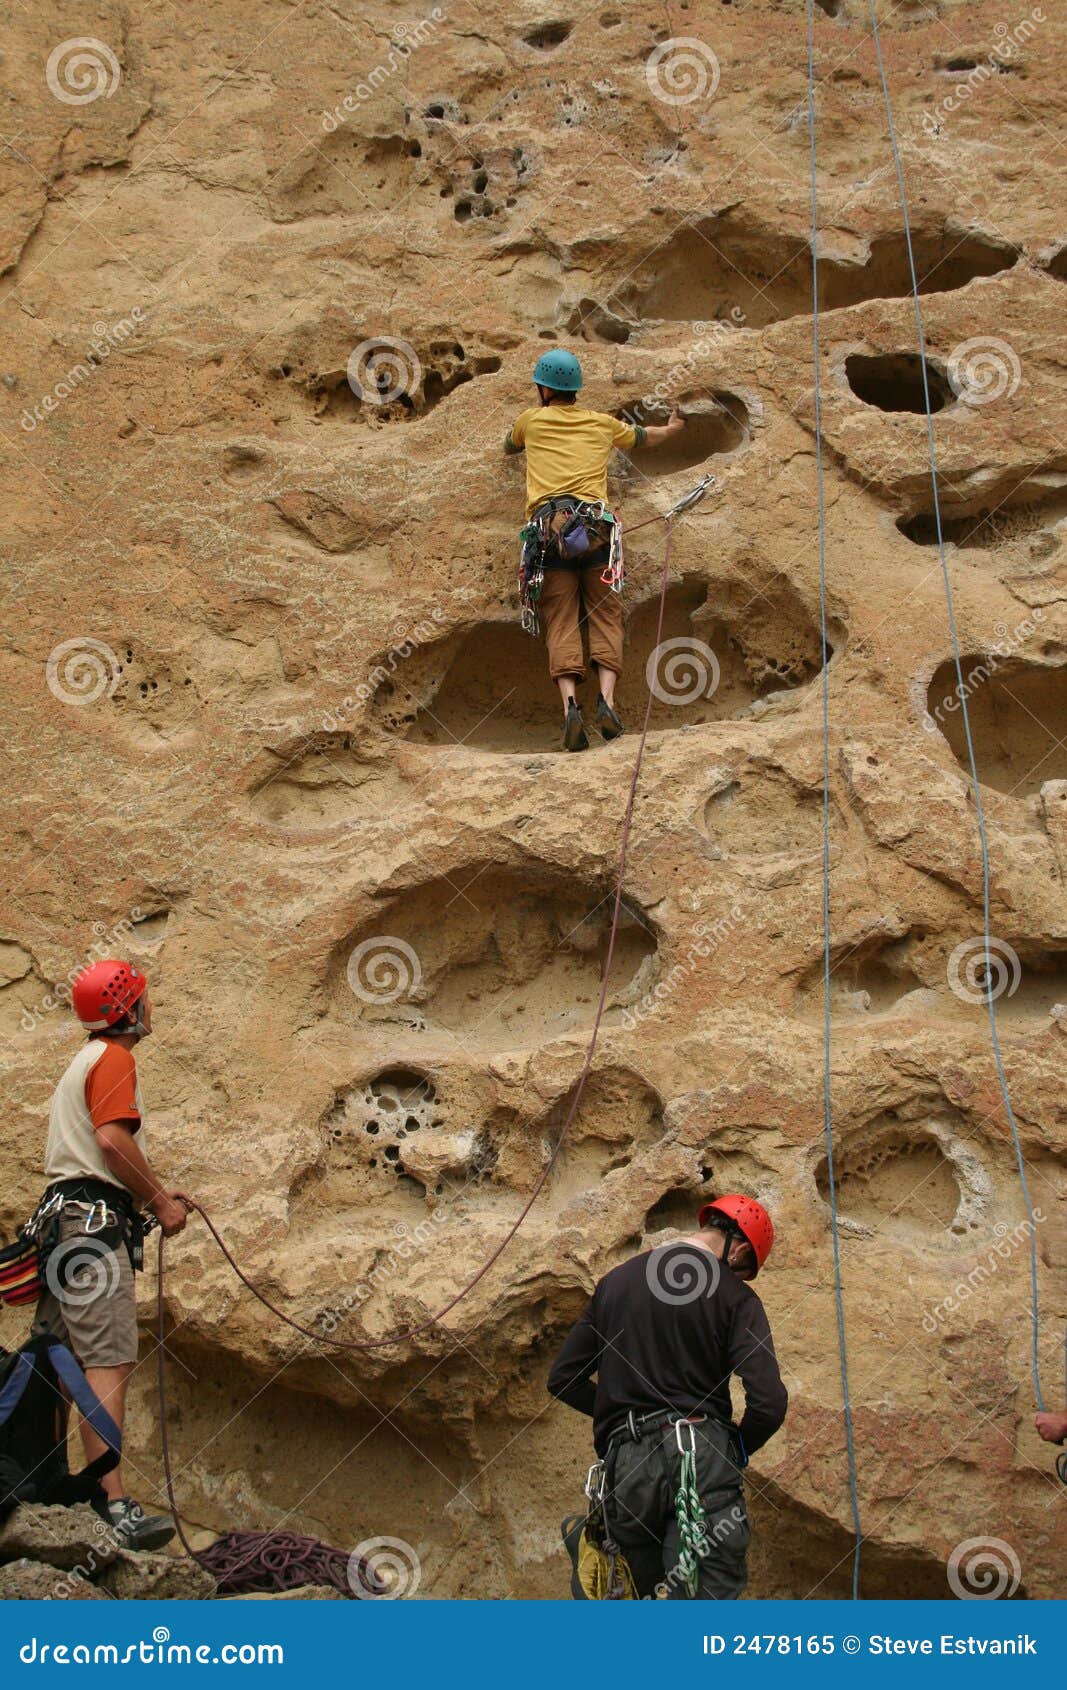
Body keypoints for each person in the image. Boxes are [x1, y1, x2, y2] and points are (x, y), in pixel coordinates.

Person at [547, 1194, 787, 1599]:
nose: (740, 1279)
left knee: (633, 1596)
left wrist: (619, 1419)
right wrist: (736, 1449)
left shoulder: (614, 1286)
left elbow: (563, 1378)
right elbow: (768, 1402)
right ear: (740, 1248)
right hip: (700, 1455)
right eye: (744, 1270)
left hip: (626, 1465)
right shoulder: (734, 1297)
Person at [32, 959, 194, 1550]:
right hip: (94, 1228)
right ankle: (111, 1502)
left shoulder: (82, 1063)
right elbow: (111, 1140)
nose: (152, 1008)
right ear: (128, 1008)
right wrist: (159, 1200)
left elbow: (92, 1154)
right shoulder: (116, 1058)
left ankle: (43, 1482)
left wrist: (151, 1193)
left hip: (62, 1225)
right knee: (106, 1359)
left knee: (57, 1360)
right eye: (145, 999)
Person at [506, 348, 685, 751]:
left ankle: (571, 706)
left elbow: (508, 445)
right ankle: (606, 700)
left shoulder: (530, 422)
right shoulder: (600, 424)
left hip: (547, 534)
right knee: (605, 615)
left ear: (544, 389)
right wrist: (673, 428)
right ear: (575, 390)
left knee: (561, 620)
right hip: (595, 531)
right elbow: (644, 438)